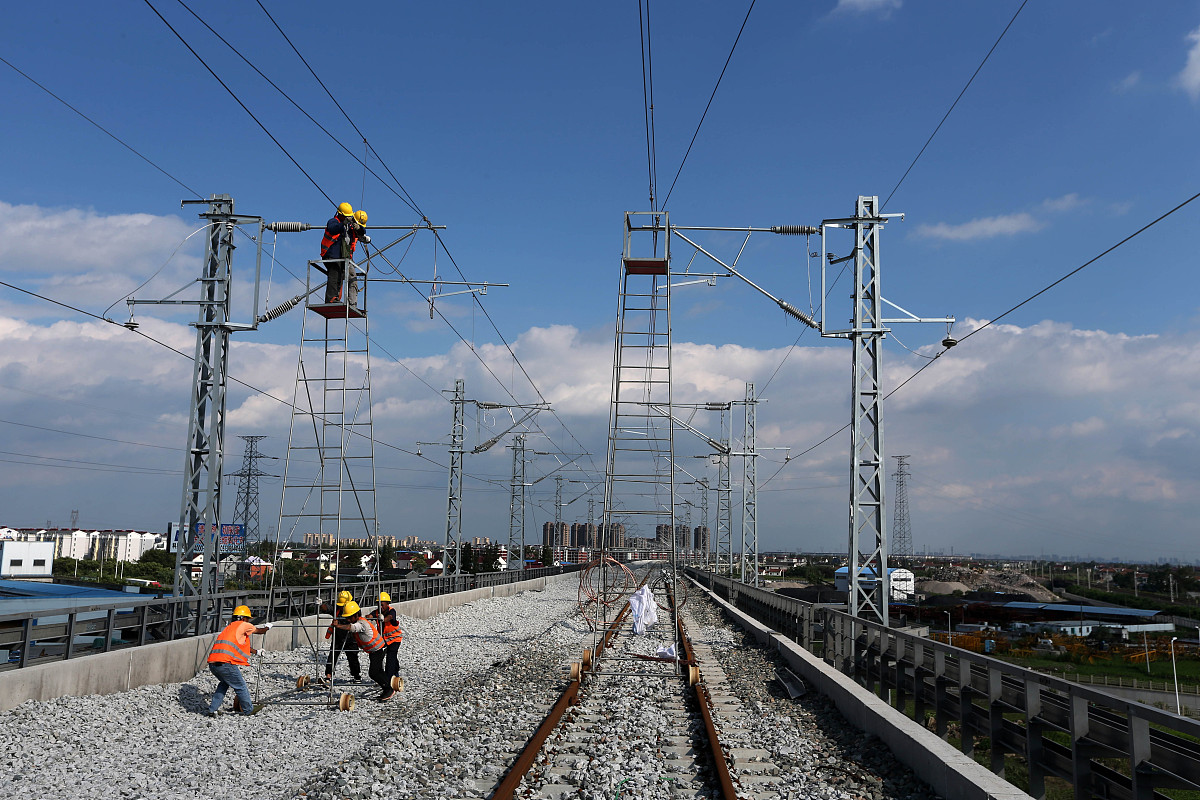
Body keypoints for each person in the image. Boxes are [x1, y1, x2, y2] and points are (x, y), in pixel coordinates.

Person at [206, 605, 272, 717]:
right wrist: (268, 627)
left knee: (224, 684)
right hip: (225, 663)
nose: (248, 621)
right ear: (243, 618)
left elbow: (239, 646)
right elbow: (260, 631)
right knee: (240, 686)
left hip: (213, 663)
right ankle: (248, 710)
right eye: (247, 619)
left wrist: (256, 652)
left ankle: (212, 709)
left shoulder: (229, 628)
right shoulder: (243, 625)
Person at [332, 601, 395, 701]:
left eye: (350, 617)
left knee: (373, 672)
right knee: (378, 670)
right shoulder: (358, 621)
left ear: (357, 614)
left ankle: (388, 689)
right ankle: (387, 685)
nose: (348, 620)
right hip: (374, 650)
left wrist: (338, 626)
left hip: (378, 649)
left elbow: (351, 628)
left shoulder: (362, 623)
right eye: (346, 618)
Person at [322, 589, 361, 683]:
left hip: (351, 637)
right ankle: (328, 675)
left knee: (353, 657)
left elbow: (357, 622)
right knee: (332, 656)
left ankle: (356, 676)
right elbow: (326, 608)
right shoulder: (337, 609)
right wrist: (321, 604)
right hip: (338, 637)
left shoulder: (355, 609)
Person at [320, 202, 356, 304]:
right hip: (330, 255)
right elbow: (333, 229)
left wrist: (357, 226)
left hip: (340, 257)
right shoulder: (333, 222)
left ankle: (336, 298)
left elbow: (359, 232)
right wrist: (343, 223)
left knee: (340, 276)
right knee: (334, 275)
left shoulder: (346, 226)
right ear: (341, 214)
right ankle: (331, 298)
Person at [368, 591, 404, 683]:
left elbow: (390, 617)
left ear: (387, 604)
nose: (380, 607)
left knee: (390, 658)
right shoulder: (377, 612)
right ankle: (395, 671)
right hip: (384, 640)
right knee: (381, 655)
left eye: (382, 605)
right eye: (378, 604)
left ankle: (388, 679)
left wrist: (383, 619)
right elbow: (370, 616)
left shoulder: (391, 611)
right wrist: (367, 617)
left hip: (395, 639)